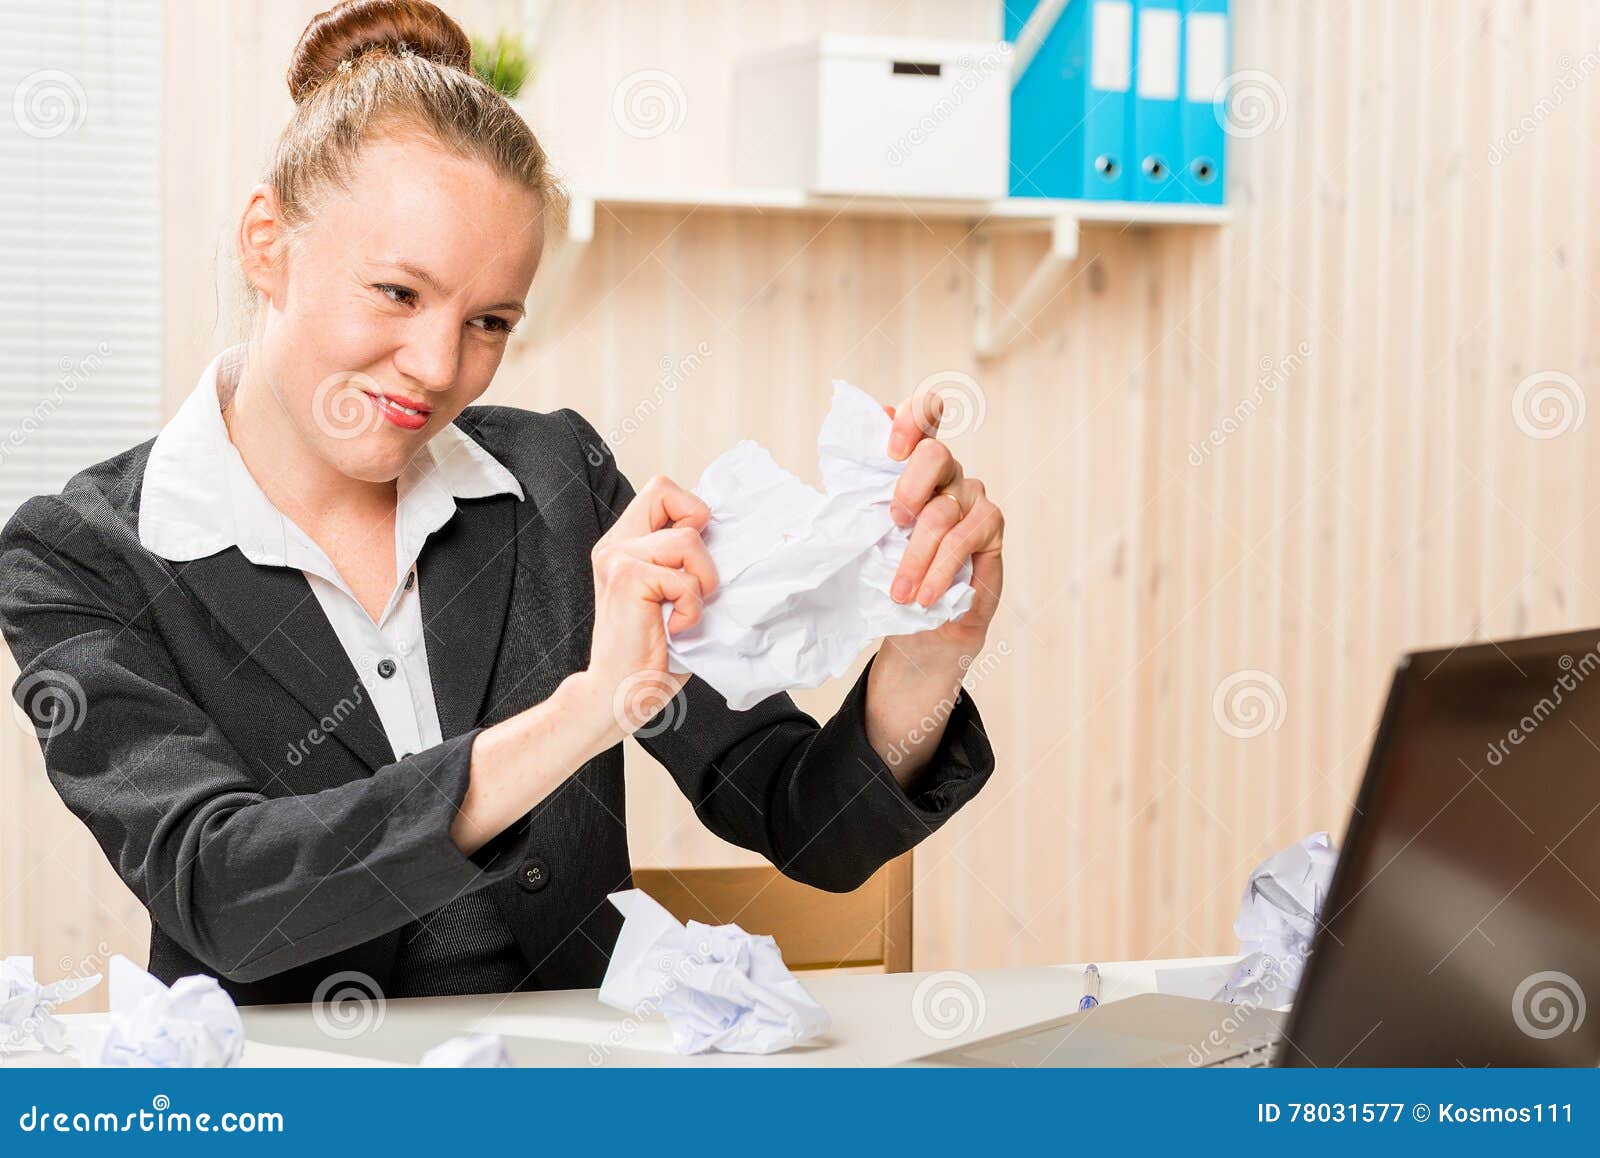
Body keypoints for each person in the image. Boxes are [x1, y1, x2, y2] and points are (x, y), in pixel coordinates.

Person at [0, 0, 1005, 1005]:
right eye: (397, 293)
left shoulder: (557, 481)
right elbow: (227, 891)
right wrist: (581, 713)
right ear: (267, 243)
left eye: (489, 320)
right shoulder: (82, 556)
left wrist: (926, 650)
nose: (439, 368)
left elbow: (805, 823)